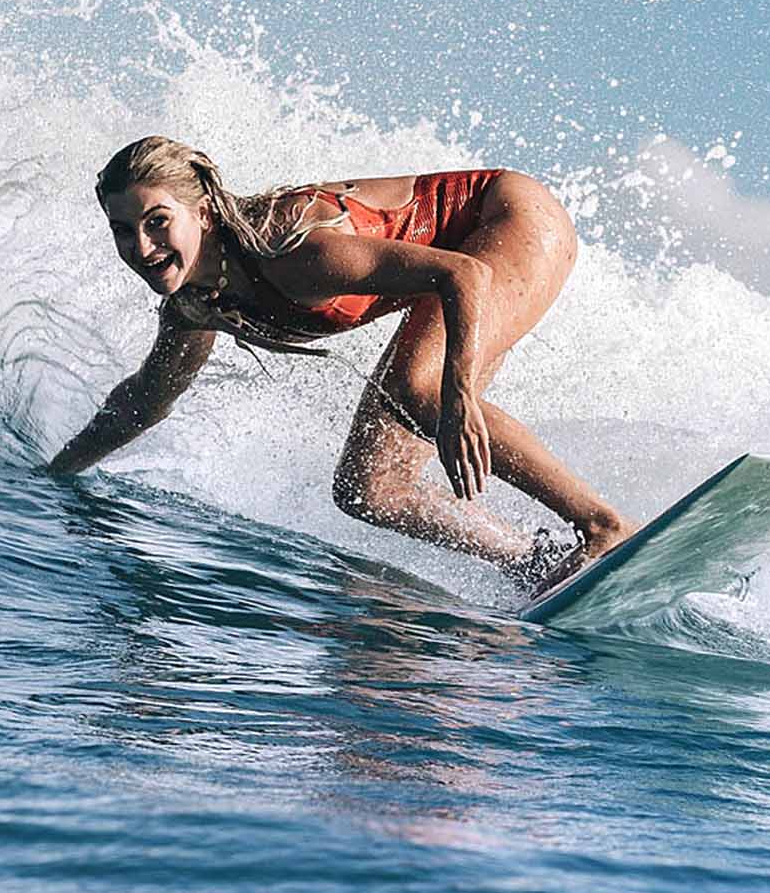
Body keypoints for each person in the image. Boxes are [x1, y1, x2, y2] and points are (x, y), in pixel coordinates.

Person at [43, 135, 631, 592]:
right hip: (451, 271)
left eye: (157, 222)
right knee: (368, 489)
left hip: (506, 219)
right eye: (123, 231)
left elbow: (464, 274)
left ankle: (601, 527)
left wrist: (457, 396)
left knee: (418, 386)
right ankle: (534, 563)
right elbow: (146, 400)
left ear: (201, 213)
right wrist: (56, 473)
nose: (141, 248)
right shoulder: (195, 304)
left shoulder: (291, 253)